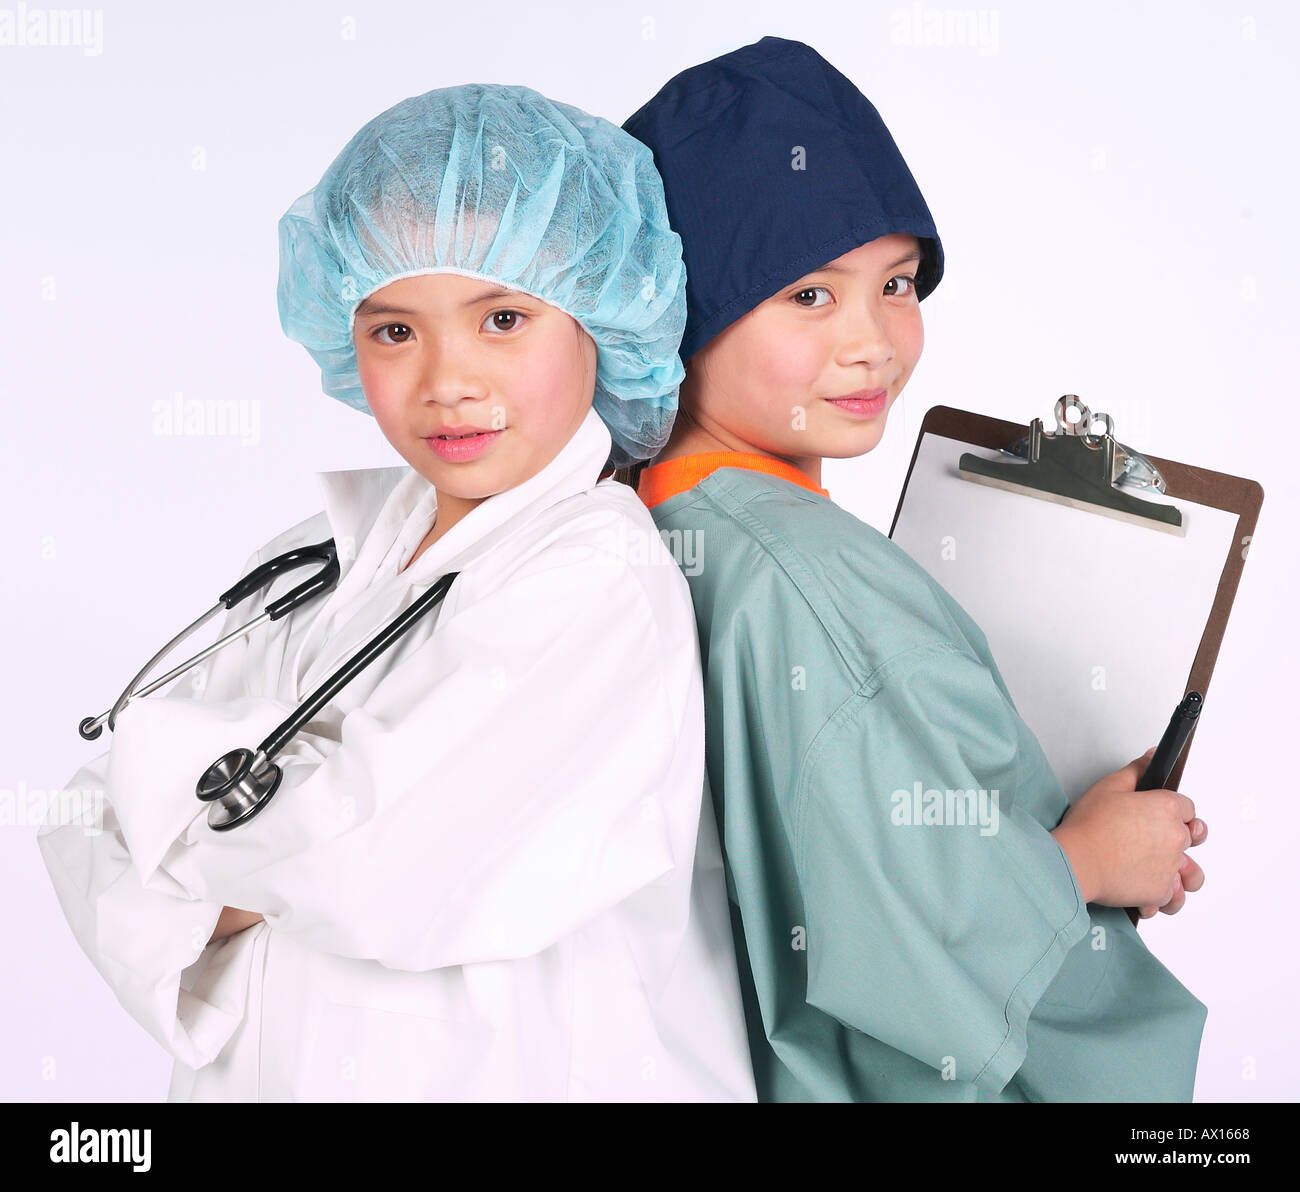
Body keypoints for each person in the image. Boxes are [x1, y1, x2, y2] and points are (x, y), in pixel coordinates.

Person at [37, 82, 756, 1103]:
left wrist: (184, 844)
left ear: (604, 314)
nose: (446, 379)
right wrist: (255, 835)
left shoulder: (597, 581)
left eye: (501, 317)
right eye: (392, 331)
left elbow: (371, 866)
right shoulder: (320, 553)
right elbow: (81, 818)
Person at [619, 35, 1208, 1101]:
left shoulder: (660, 529)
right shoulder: (811, 583)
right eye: (808, 295)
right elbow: (905, 929)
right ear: (679, 310)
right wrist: (1083, 864)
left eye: (895, 284)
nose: (873, 343)